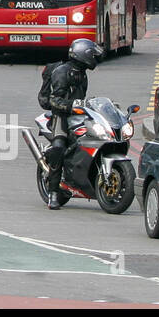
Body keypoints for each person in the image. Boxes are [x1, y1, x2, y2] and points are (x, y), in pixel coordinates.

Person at [43, 38, 103, 210]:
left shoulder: (81, 72)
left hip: (77, 116)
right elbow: (53, 100)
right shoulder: (62, 72)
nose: (94, 58)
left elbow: (81, 98)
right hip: (60, 117)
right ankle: (53, 192)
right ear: (83, 54)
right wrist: (71, 106)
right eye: (92, 55)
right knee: (59, 147)